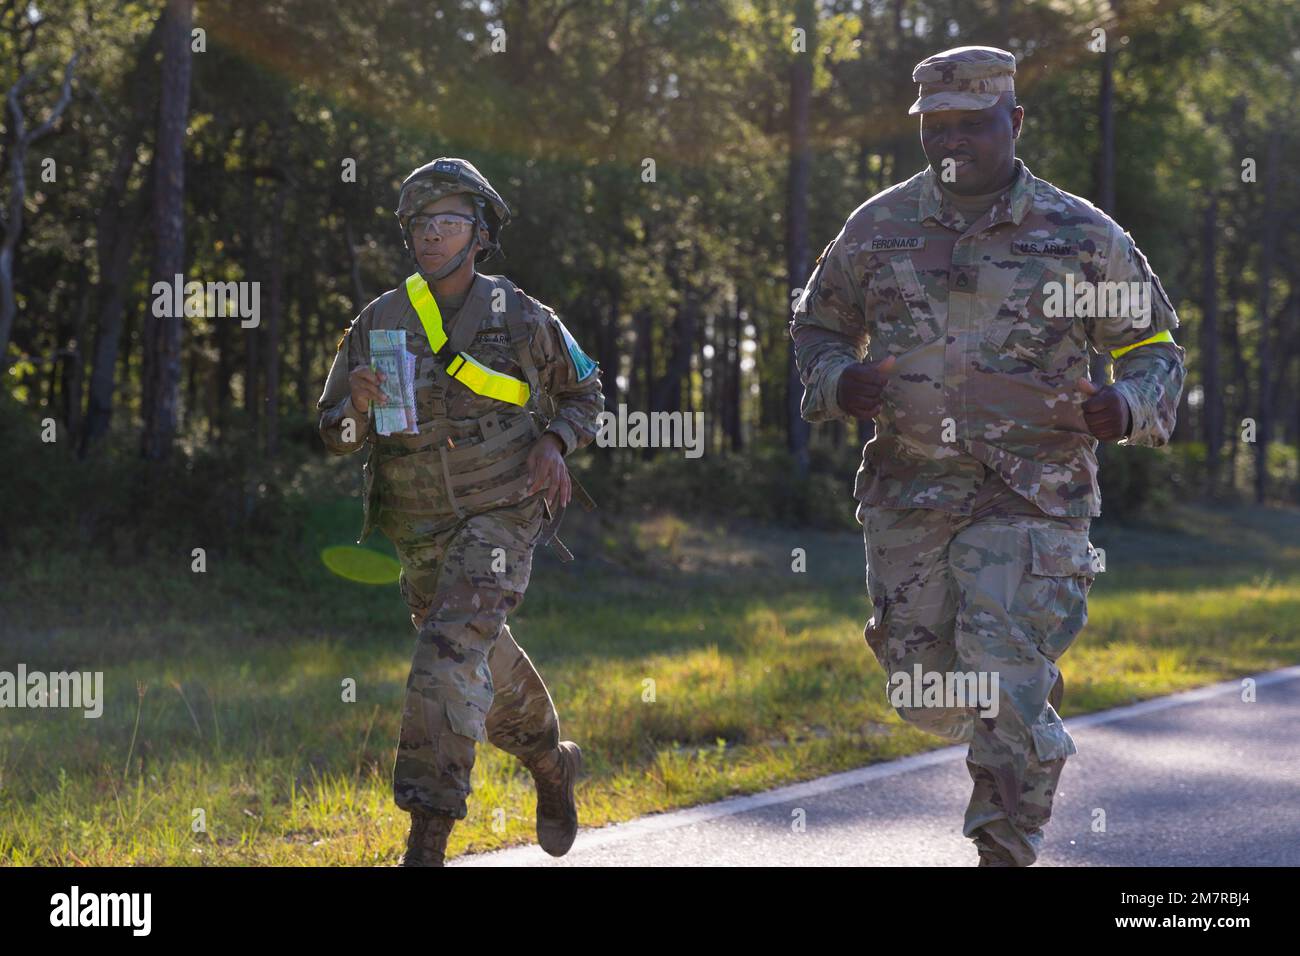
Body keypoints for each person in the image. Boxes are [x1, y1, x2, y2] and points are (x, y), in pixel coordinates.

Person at [789, 47, 1185, 866]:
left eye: (973, 122)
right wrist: (838, 380)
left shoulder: (1078, 236)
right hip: (909, 490)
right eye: (938, 126)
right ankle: (1019, 706)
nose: (954, 139)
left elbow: (1151, 344)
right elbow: (818, 326)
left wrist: (1132, 403)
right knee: (921, 690)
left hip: (1034, 494)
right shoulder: (879, 225)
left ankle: (1005, 839)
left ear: (1015, 121)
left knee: (1003, 672)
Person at [317, 157, 605, 866]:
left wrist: (556, 442)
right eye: (420, 223)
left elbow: (587, 392)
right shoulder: (380, 319)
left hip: (503, 514)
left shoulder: (521, 314)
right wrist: (353, 407)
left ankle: (427, 837)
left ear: (479, 232)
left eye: (446, 222)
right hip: (418, 535)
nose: (430, 235)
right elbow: (332, 436)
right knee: (478, 663)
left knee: (445, 655)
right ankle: (551, 765)